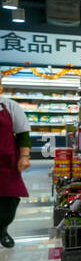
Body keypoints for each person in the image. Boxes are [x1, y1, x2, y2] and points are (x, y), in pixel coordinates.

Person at [0, 79, 32, 248]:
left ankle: (2, 228)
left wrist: (24, 156)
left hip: (6, 162)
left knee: (10, 199)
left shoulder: (10, 106)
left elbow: (23, 132)